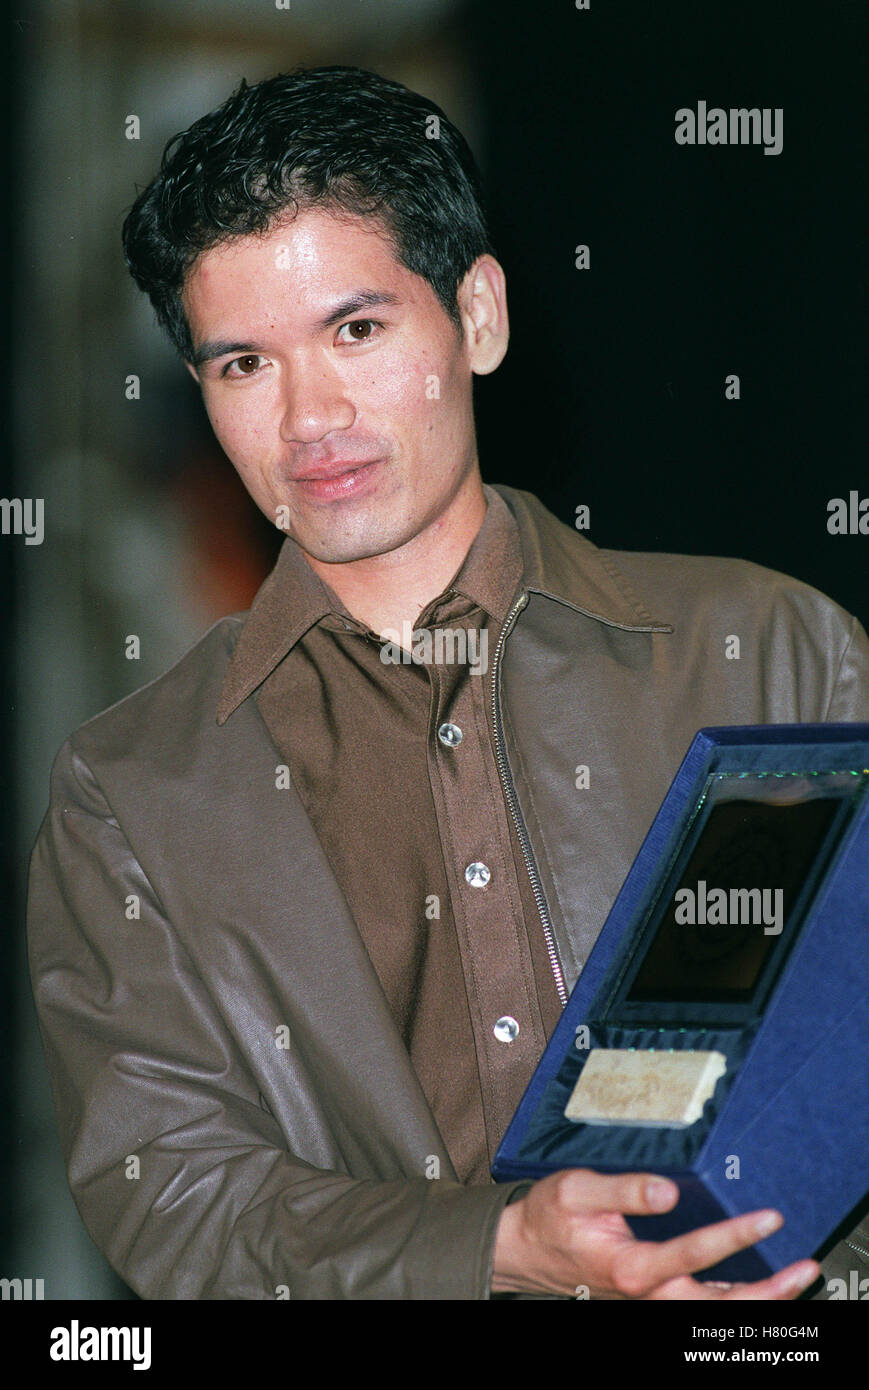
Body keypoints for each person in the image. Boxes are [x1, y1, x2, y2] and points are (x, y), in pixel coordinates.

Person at [27, 65, 869, 1301]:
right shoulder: (134, 787)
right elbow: (174, 1196)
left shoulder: (763, 643)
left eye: (355, 330)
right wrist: (493, 1248)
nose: (310, 417)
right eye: (242, 365)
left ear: (477, 315)